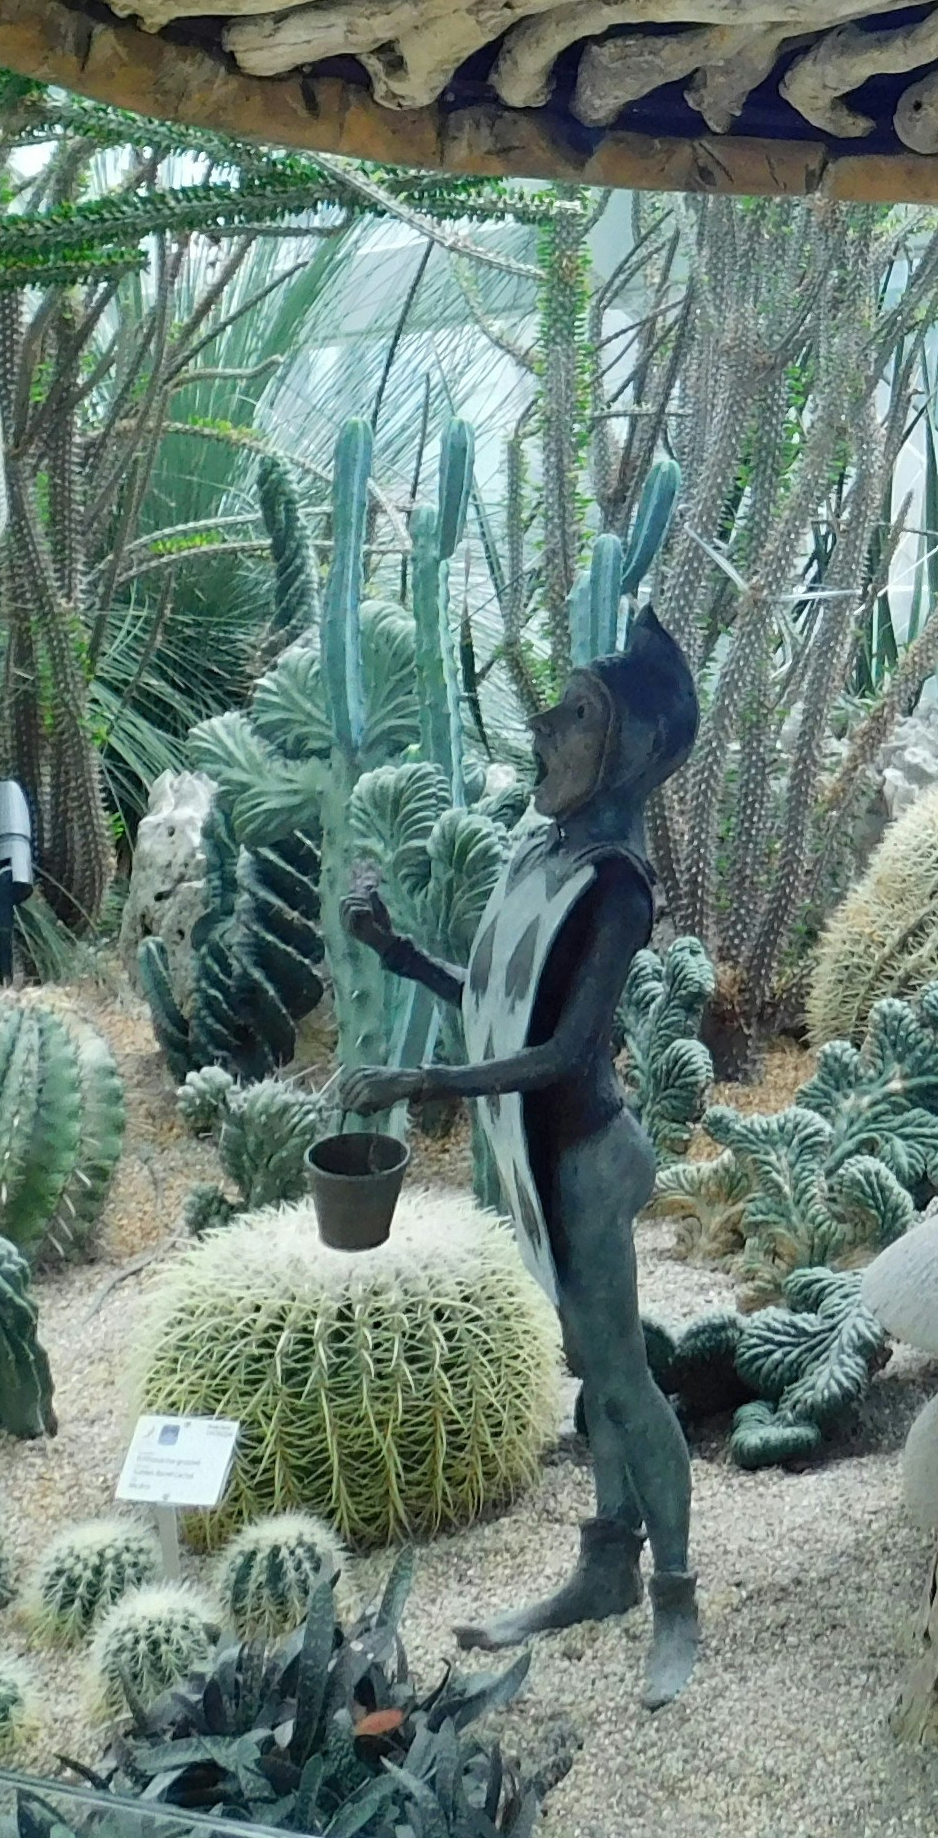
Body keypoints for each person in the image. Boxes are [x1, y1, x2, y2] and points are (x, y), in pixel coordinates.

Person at [341, 603, 702, 1707]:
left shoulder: (615, 887)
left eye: (576, 714)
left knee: (626, 1383)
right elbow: (503, 1003)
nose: (545, 731)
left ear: (635, 747)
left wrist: (425, 1083)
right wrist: (403, 956)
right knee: (596, 1369)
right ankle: (605, 1566)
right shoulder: (555, 855)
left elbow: (557, 1055)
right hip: (553, 1162)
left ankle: (676, 1596)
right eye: (550, 711)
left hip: (586, 1160)